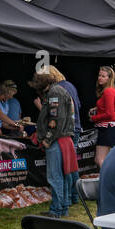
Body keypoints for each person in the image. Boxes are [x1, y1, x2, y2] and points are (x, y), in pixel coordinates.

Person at [33, 69, 79, 218]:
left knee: (55, 176)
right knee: (63, 175)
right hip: (64, 139)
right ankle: (62, 207)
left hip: (57, 140)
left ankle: (56, 209)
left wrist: (46, 140)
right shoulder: (59, 91)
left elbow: (55, 120)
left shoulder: (54, 94)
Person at [89, 65, 115, 168]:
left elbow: (109, 114)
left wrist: (93, 118)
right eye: (99, 75)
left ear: (109, 78)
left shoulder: (108, 91)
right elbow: (109, 109)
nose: (100, 78)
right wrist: (96, 109)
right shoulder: (109, 91)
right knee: (102, 159)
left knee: (100, 160)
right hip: (107, 128)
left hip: (107, 128)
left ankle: (108, 181)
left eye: (103, 76)